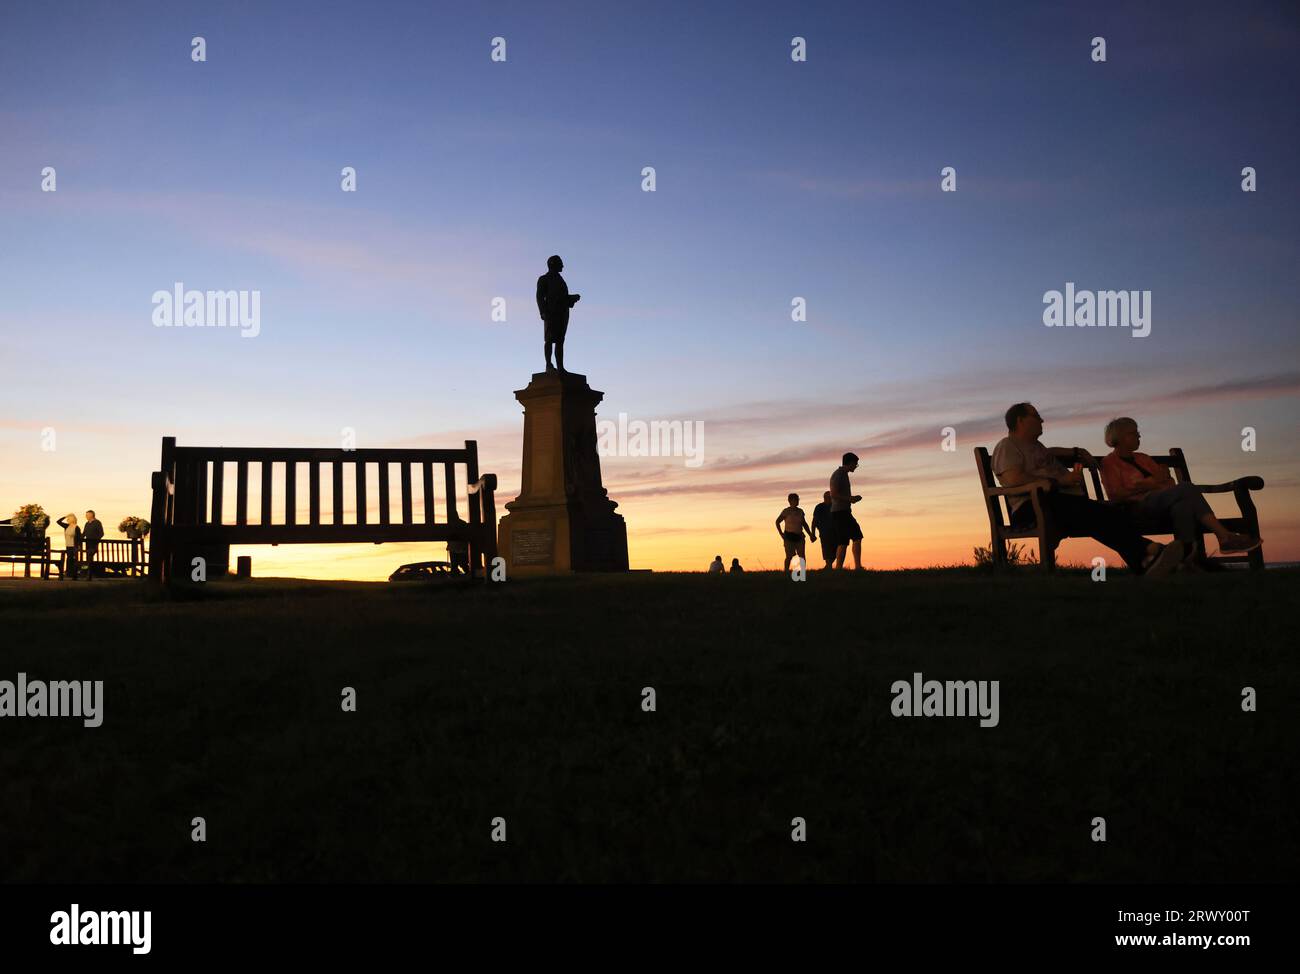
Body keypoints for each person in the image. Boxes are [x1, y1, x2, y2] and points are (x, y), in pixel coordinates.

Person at [992, 403, 1181, 576]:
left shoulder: (1037, 447)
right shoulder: (1007, 446)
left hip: (1060, 504)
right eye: (1036, 416)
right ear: (1020, 420)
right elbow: (1013, 479)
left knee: (1104, 514)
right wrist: (1058, 482)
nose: (1042, 420)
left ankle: (1145, 561)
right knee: (1095, 512)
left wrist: (1076, 452)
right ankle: (1151, 551)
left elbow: (1050, 453)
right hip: (1032, 506)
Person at [1100, 417, 1260, 562]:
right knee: (1187, 488)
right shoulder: (1109, 463)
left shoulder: (1144, 459)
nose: (1139, 436)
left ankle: (1185, 559)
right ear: (1119, 438)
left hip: (1162, 503)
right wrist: (1148, 484)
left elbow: (1169, 483)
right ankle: (1223, 536)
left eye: (1138, 432)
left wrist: (1151, 484)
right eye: (1133, 433)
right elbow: (1115, 494)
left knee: (1183, 506)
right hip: (1136, 508)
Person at [536, 255, 581, 372]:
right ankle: (549, 364)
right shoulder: (544, 279)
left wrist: (572, 298)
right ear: (553, 264)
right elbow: (539, 297)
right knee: (549, 340)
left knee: (560, 340)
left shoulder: (561, 280)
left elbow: (562, 297)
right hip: (550, 313)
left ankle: (560, 366)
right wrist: (543, 312)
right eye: (560, 263)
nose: (562, 265)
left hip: (563, 313)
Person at [829, 453, 864, 570]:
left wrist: (851, 499)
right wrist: (850, 499)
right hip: (840, 512)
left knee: (844, 541)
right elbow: (833, 494)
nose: (856, 466)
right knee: (856, 536)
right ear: (850, 463)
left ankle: (840, 568)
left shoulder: (843, 474)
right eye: (855, 464)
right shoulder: (838, 475)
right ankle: (856, 567)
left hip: (842, 511)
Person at [774, 493, 814, 572]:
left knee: (802, 555)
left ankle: (802, 572)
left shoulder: (800, 511)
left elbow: (804, 524)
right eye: (796, 499)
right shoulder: (786, 511)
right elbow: (777, 522)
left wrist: (810, 534)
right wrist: (781, 534)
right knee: (789, 556)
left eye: (798, 499)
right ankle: (786, 571)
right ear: (790, 501)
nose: (797, 501)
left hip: (799, 536)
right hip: (788, 537)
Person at [809, 490, 835, 570]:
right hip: (824, 532)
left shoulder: (836, 506)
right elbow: (814, 521)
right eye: (827, 497)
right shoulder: (819, 507)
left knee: (836, 550)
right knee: (826, 549)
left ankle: (828, 566)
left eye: (830, 497)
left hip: (835, 532)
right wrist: (813, 534)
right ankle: (828, 566)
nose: (829, 499)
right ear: (824, 498)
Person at [56, 513, 81, 580]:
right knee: (69, 559)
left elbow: (79, 538)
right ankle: (69, 573)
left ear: (72, 519)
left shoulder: (76, 527)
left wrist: (78, 546)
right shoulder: (66, 526)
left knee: (72, 559)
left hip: (74, 546)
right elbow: (58, 522)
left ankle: (72, 574)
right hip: (68, 545)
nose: (67, 520)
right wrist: (65, 516)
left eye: (68, 519)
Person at [82, 510, 104, 581]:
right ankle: (87, 574)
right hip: (88, 544)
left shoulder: (97, 523)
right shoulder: (87, 523)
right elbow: (84, 533)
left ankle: (89, 575)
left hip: (93, 544)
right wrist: (79, 539)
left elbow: (101, 533)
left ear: (91, 515)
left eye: (87, 515)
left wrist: (96, 540)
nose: (86, 516)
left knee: (90, 558)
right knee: (88, 559)